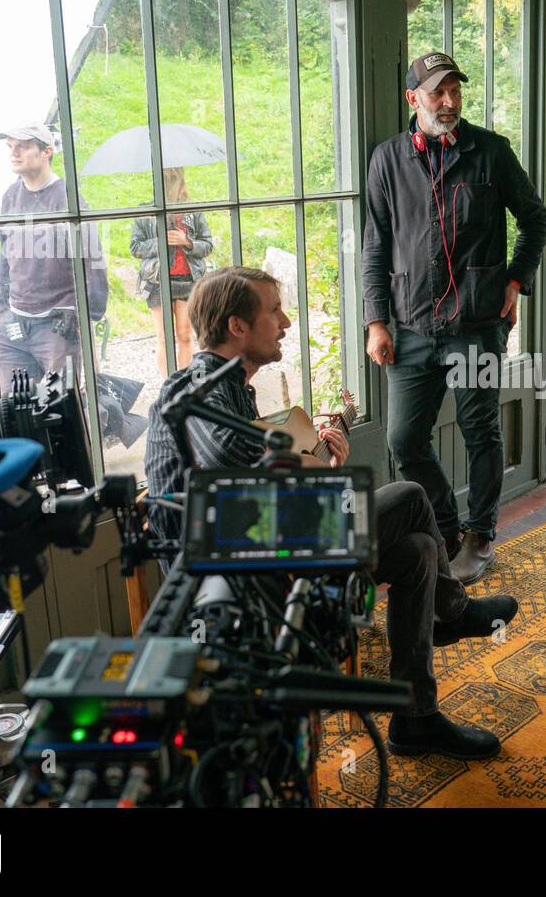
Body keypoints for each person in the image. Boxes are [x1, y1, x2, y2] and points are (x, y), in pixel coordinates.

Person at [144, 266, 518, 759]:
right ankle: (450, 614)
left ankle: (416, 720)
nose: (285, 322)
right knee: (408, 495)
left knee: (420, 551)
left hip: (261, 542)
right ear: (237, 326)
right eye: (273, 311)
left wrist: (319, 465)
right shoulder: (202, 385)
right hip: (232, 581)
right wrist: (313, 469)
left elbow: (258, 485)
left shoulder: (232, 385)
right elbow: (235, 469)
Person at [362, 51, 546, 584]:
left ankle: (481, 533)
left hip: (477, 326)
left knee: (479, 430)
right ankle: (445, 523)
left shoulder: (491, 152)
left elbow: (534, 219)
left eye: (455, 91)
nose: (449, 102)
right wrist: (377, 320)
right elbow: (375, 246)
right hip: (411, 328)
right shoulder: (387, 161)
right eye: (437, 92)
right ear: (413, 99)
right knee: (404, 439)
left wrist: (515, 280)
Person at [0, 123, 107, 394]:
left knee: (62, 405)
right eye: (10, 147)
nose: (14, 153)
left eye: (23, 146)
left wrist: (84, 312)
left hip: (56, 323)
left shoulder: (66, 198)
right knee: (13, 404)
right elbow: (6, 252)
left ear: (47, 152)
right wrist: (1, 306)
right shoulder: (10, 196)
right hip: (14, 323)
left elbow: (92, 260)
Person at [131, 167, 214, 375]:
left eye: (173, 179)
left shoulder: (192, 211)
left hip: (188, 281)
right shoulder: (146, 211)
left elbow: (207, 246)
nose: (171, 184)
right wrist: (160, 242)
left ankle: (183, 384)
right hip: (158, 282)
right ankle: (168, 385)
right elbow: (135, 248)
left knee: (185, 334)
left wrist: (187, 242)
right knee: (164, 337)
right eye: (166, 179)